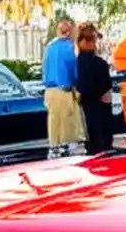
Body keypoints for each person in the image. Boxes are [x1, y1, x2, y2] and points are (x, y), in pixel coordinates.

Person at [42, 18, 84, 158]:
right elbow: (72, 70)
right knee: (68, 119)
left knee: (53, 120)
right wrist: (77, 85)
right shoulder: (69, 48)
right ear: (69, 32)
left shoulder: (49, 47)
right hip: (64, 89)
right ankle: (67, 146)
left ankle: (53, 147)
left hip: (49, 90)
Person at [74, 22, 114, 155]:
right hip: (97, 104)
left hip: (88, 102)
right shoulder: (100, 64)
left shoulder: (77, 63)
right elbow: (106, 89)